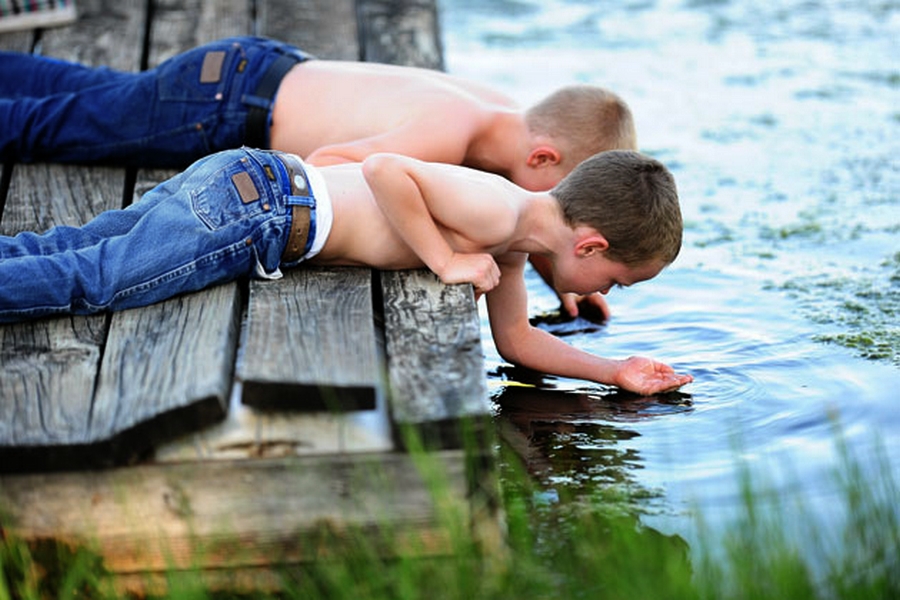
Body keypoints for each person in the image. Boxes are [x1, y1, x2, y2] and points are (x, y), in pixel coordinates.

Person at [0, 36, 636, 318]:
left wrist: (556, 265)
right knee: (47, 128)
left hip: (248, 78)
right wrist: (434, 252)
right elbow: (336, 166)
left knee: (78, 101)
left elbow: (513, 215)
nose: (550, 200)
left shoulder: (493, 110)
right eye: (557, 189)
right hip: (226, 111)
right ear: (546, 159)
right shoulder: (450, 134)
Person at [0, 147, 692, 395]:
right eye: (617, 282)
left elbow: (516, 343)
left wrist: (614, 371)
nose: (605, 294)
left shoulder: (512, 237)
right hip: (261, 213)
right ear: (593, 246)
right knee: (97, 282)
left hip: (255, 183)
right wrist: (443, 258)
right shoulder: (497, 209)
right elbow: (388, 170)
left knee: (78, 247)